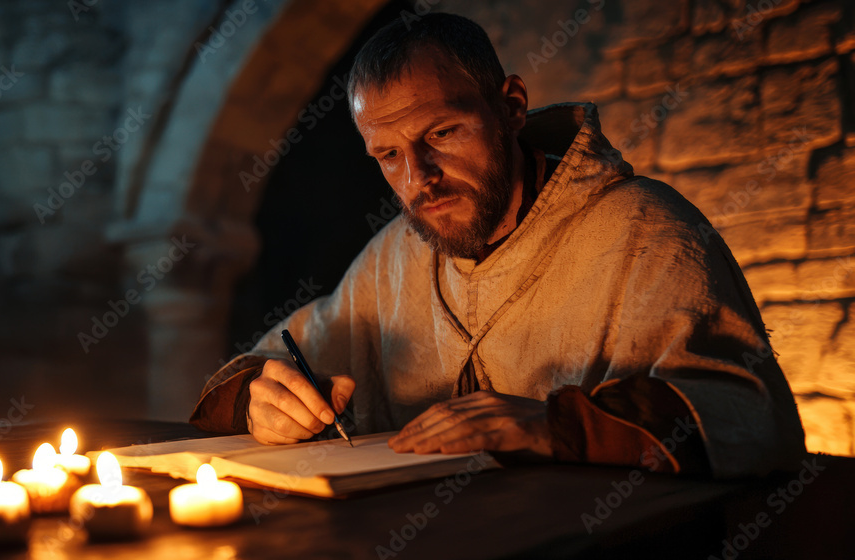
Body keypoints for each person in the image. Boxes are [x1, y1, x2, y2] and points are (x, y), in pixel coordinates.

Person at [191, 13, 806, 477]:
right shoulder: (392, 258)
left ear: (510, 106)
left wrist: (556, 425)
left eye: (442, 132)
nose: (419, 178)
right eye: (388, 155)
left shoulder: (647, 230)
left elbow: (751, 418)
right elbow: (266, 366)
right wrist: (262, 401)